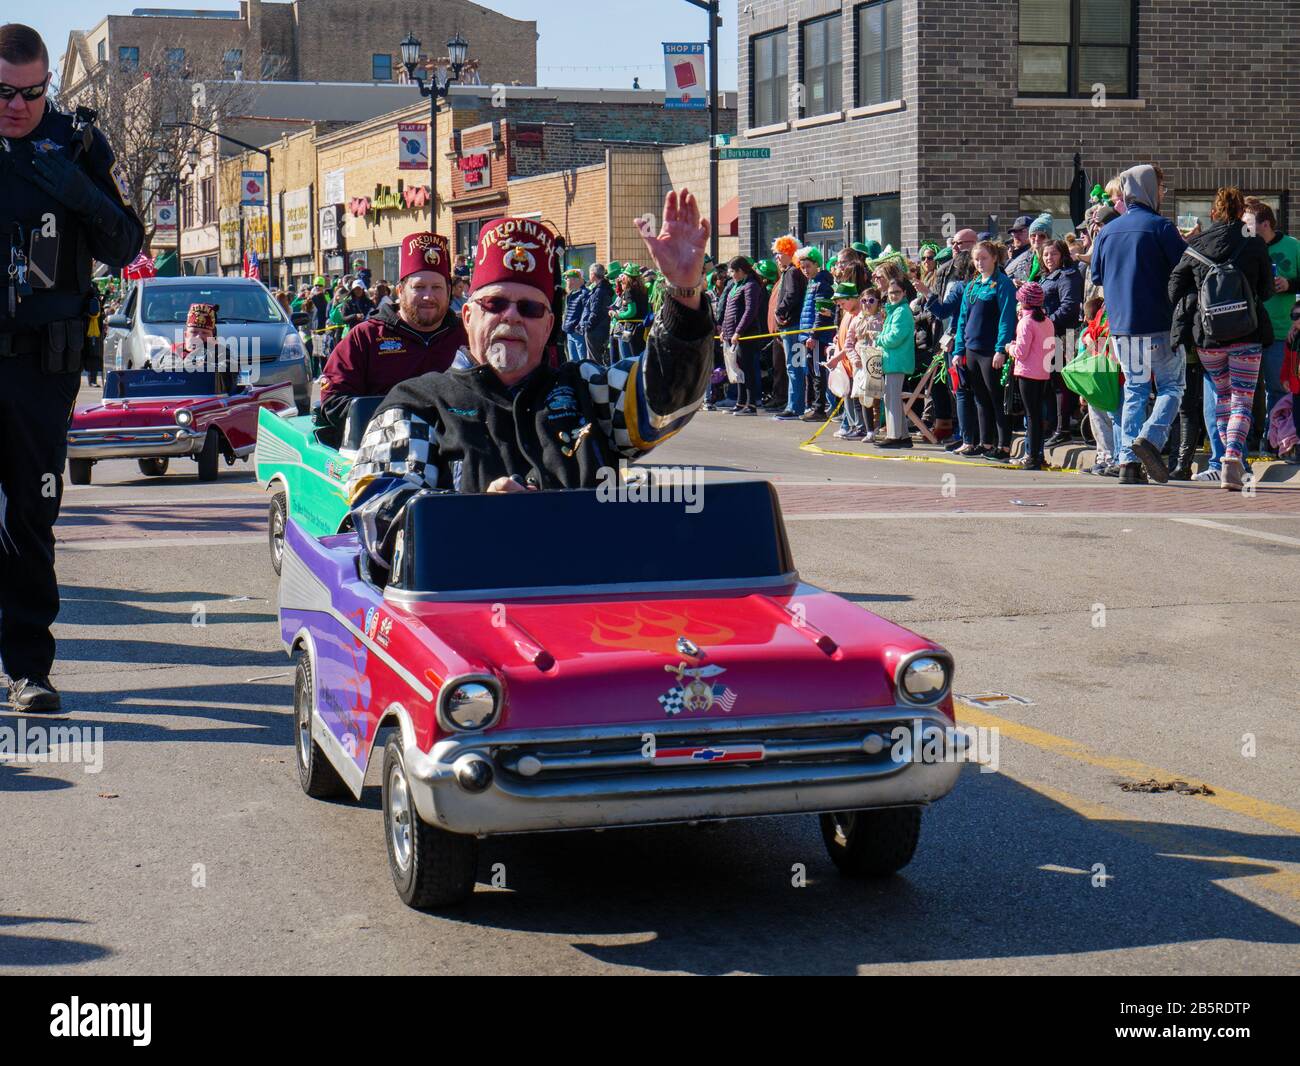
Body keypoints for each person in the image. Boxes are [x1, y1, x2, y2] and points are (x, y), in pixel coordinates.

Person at [345, 189, 713, 564]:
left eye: (530, 307)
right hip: (465, 604)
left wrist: (684, 295)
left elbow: (667, 399)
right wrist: (473, 514)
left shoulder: (588, 389)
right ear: (468, 317)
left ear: (548, 324)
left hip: (592, 598)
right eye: (495, 303)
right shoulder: (418, 403)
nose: (512, 316)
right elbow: (378, 510)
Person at [0, 22, 144, 711]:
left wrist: (83, 194)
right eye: (3, 92)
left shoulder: (76, 142)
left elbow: (125, 246)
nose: (18, 105)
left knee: (32, 514)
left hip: (40, 368)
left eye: (31, 92)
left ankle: (29, 667)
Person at [1169, 186, 1273, 491]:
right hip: (1246, 333)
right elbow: (1266, 289)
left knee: (1223, 400)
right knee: (1242, 399)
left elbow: (1175, 285)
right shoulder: (1253, 243)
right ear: (1242, 211)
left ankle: (1228, 457)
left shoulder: (1199, 243)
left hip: (1209, 337)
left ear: (1214, 212)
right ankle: (1232, 460)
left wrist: (1197, 300)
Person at [1090, 164, 1187, 484]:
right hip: (1158, 322)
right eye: (1159, 187)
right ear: (1147, 189)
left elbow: (1097, 277)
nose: (1163, 193)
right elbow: (1185, 270)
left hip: (1121, 327)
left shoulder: (1107, 232)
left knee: (1134, 391)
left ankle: (1128, 463)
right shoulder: (1161, 227)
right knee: (1172, 387)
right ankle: (1150, 438)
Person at [317, 232, 466, 438]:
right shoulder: (366, 336)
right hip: (385, 454)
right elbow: (333, 400)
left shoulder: (466, 336)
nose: (428, 296)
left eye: (437, 287)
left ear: (449, 291)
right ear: (400, 290)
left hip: (458, 454)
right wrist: (391, 421)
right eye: (419, 287)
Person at [953, 240, 1017, 460]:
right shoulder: (972, 285)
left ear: (994, 258)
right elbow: (963, 319)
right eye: (976, 259)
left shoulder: (1003, 284)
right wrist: (958, 350)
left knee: (996, 398)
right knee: (979, 397)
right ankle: (985, 441)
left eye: (984, 258)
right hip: (971, 348)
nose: (980, 263)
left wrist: (1001, 349)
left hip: (991, 350)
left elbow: (1007, 319)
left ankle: (1004, 445)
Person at [1242, 198, 1300, 435]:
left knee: (1277, 388)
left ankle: (1275, 437)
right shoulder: (1246, 245)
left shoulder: (1293, 246)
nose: (1245, 228)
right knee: (1249, 390)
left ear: (1265, 224)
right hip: (1249, 330)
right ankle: (1253, 438)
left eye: (1249, 223)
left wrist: (1289, 283)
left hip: (1279, 330)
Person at [1002, 282, 1054, 470]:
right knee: (1037, 414)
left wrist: (1010, 348)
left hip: (1027, 373)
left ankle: (1032, 457)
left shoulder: (1025, 322)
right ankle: (1037, 455)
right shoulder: (1047, 321)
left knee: (1031, 416)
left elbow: (1021, 353)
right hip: (1043, 373)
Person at [1038, 238, 1084, 445]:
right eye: (1046, 254)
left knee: (1061, 385)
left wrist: (1044, 324)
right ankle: (1053, 426)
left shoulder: (1068, 276)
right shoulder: (1046, 277)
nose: (1049, 258)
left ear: (1063, 255)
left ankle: (1063, 428)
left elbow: (1069, 307)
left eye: (1053, 254)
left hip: (1064, 336)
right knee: (1051, 384)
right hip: (1048, 336)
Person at [719, 256, 766, 415]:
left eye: (733, 271)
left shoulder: (751, 286)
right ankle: (740, 402)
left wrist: (738, 331)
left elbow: (750, 311)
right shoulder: (735, 285)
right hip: (732, 334)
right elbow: (729, 310)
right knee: (737, 368)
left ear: (741, 270)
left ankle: (751, 404)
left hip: (746, 334)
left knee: (748, 369)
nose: (731, 274)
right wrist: (725, 330)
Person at [875, 276, 917, 448]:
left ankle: (894, 436)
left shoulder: (902, 311)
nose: (893, 295)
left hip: (897, 361)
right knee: (893, 398)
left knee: (891, 399)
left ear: (904, 293)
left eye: (897, 292)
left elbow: (894, 338)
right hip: (893, 361)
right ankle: (903, 436)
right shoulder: (896, 310)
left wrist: (878, 338)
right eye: (891, 293)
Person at [795, 246, 834, 421]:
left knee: (818, 372)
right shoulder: (811, 283)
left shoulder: (821, 284)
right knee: (811, 372)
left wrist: (813, 335)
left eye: (808, 266)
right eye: (802, 267)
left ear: (817, 264)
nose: (805, 270)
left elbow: (820, 312)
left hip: (817, 337)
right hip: (808, 335)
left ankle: (819, 408)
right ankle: (813, 405)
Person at [771, 235, 807, 420]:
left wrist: (780, 311)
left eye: (779, 253)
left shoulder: (792, 272)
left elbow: (791, 295)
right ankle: (795, 404)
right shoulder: (791, 271)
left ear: (788, 253)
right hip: (791, 325)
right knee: (794, 367)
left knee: (793, 367)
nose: (777, 257)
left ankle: (795, 406)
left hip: (792, 325)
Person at [579, 261, 614, 365]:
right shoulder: (605, 288)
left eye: (590, 273)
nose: (589, 276)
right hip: (602, 328)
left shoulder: (599, 291)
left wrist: (587, 326)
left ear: (593, 275)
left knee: (594, 360)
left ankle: (596, 380)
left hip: (595, 330)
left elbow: (595, 311)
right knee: (598, 359)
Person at [561, 268, 588, 362]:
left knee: (582, 360)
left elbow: (586, 312)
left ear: (575, 279)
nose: (566, 281)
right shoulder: (571, 293)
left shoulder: (584, 293)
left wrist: (579, 326)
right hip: (569, 330)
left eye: (567, 279)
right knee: (572, 361)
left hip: (577, 331)